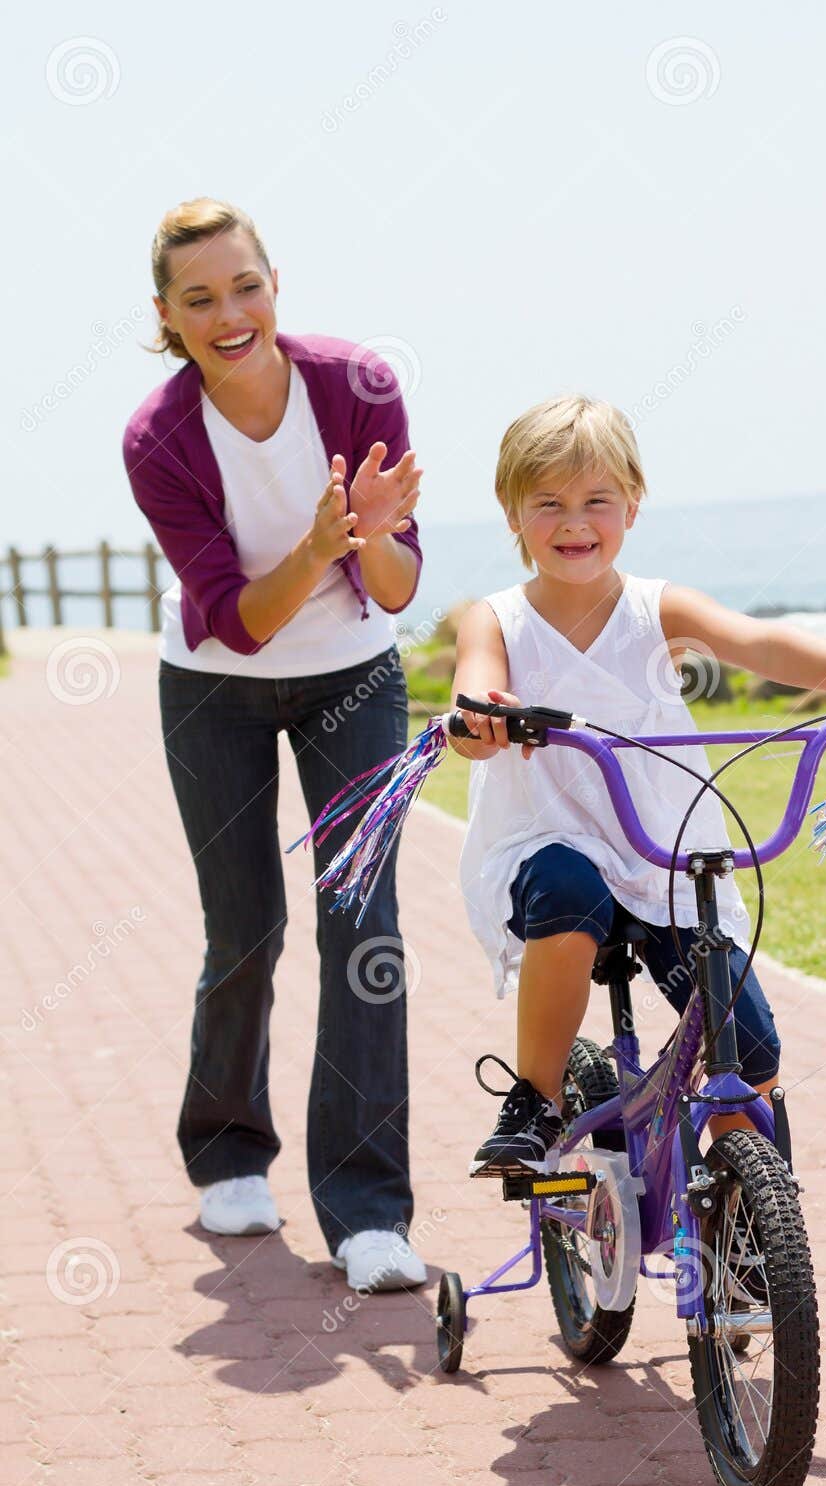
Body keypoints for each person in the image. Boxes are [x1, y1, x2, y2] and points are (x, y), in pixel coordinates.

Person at [450, 395, 826, 1175]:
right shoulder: (497, 620)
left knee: (746, 1051)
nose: (573, 522)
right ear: (511, 514)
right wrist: (480, 719)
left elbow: (762, 643)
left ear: (632, 507)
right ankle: (535, 1100)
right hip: (546, 838)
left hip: (663, 852)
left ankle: (749, 1230)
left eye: (595, 502)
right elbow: (474, 698)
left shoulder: (655, 608)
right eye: (547, 504)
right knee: (568, 887)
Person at [122, 196, 426, 1290]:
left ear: (274, 279)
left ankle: (367, 1210)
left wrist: (373, 539)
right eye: (199, 298)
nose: (229, 311)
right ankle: (227, 1149)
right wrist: (315, 547)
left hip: (355, 674)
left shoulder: (356, 385)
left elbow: (395, 583)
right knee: (245, 926)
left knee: (366, 930)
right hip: (217, 689)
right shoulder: (158, 439)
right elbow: (237, 618)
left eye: (243, 284)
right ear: (168, 315)